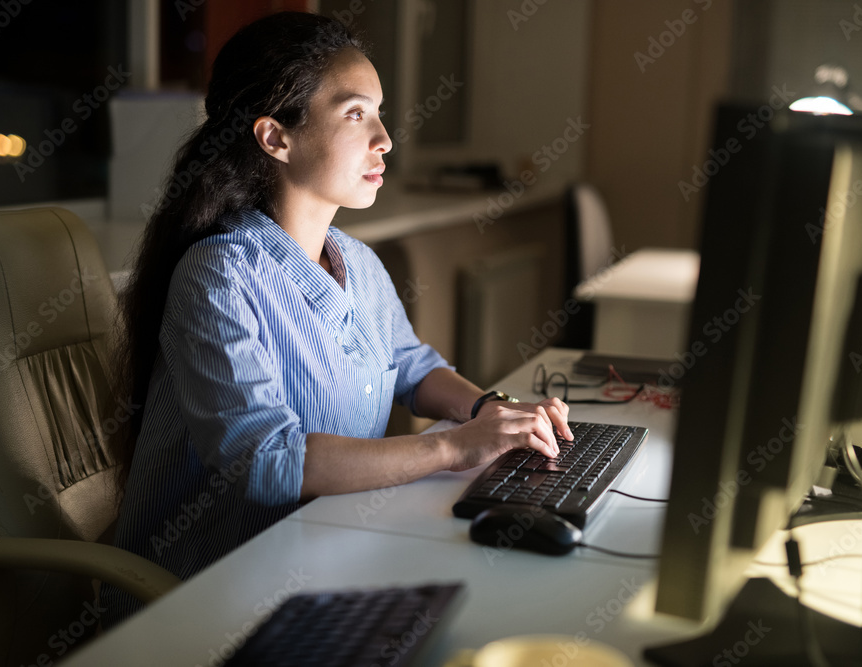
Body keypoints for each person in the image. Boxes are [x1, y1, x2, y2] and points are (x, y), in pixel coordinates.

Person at [102, 12, 572, 625]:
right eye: (356, 114)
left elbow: (411, 364)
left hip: (326, 552)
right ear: (276, 138)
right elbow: (268, 462)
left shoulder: (356, 260)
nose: (385, 138)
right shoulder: (218, 275)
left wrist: (491, 411)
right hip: (210, 594)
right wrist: (456, 448)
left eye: (379, 112)